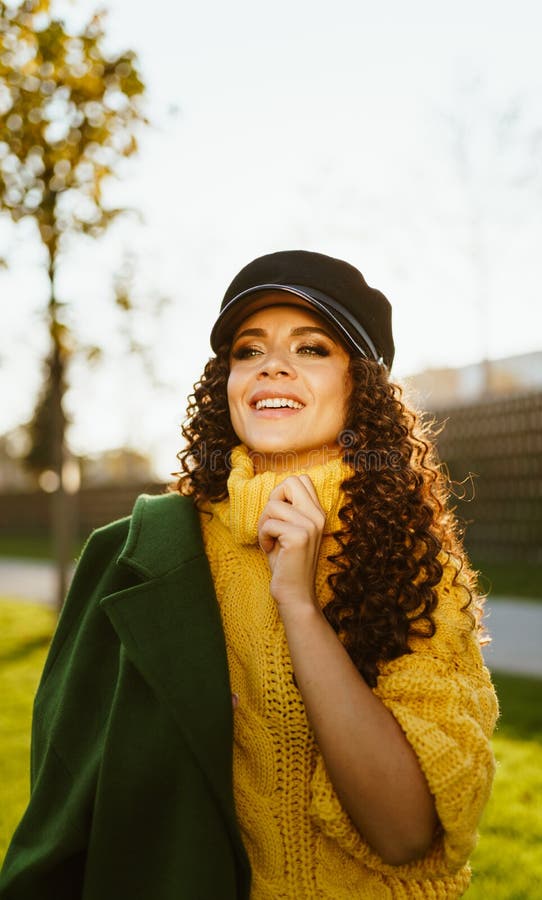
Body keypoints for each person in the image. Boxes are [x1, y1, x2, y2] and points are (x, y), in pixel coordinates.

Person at [0, 250, 498, 900]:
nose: (272, 363)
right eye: (248, 348)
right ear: (225, 380)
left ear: (362, 383)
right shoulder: (148, 555)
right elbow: (71, 802)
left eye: (312, 346)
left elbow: (404, 831)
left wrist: (297, 606)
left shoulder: (413, 563)